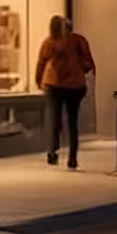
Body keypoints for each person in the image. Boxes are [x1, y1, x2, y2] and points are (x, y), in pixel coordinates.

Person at [34, 14, 96, 170]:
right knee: (72, 122)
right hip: (75, 86)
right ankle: (72, 157)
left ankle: (52, 151)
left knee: (54, 120)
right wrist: (79, 69)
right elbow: (89, 63)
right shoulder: (78, 41)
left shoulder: (49, 42)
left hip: (54, 85)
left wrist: (38, 80)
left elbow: (41, 63)